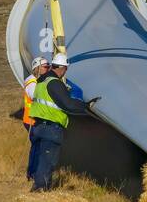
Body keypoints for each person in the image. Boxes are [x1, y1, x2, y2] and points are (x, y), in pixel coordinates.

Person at [27, 53, 97, 191]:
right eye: (66, 69)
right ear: (63, 68)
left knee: (41, 158)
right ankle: (40, 189)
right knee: (48, 161)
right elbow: (68, 104)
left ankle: (39, 186)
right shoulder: (54, 83)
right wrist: (86, 107)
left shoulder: (41, 82)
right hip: (50, 127)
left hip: (39, 126)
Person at [22, 57, 50, 182]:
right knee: (37, 147)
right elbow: (35, 96)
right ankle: (32, 173)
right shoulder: (32, 82)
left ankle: (33, 172)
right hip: (31, 121)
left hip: (36, 120)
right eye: (45, 67)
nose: (47, 69)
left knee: (38, 147)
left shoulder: (37, 81)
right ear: (37, 68)